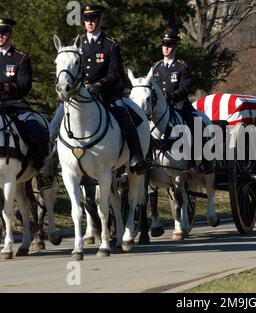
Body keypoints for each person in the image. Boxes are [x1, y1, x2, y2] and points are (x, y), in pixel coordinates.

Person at [38, 5, 152, 189]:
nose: (89, 23)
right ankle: (47, 169)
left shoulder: (110, 44)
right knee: (52, 127)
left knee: (129, 121)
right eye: (87, 19)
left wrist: (99, 85)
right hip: (79, 95)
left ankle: (137, 158)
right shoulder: (77, 45)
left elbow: (116, 73)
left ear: (100, 21)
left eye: (93, 19)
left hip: (106, 94)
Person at [150, 27, 214, 174]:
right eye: (164, 44)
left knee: (195, 123)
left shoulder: (181, 66)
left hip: (179, 106)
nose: (166, 48)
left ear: (175, 47)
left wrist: (171, 97)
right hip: (160, 108)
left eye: (170, 45)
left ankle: (204, 159)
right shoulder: (156, 67)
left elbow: (185, 88)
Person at [0, 18, 49, 175]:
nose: (0, 36)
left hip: (15, 105)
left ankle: (40, 171)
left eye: (4, 32)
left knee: (37, 133)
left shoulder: (20, 58)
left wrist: (6, 87)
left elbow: (25, 85)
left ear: (10, 35)